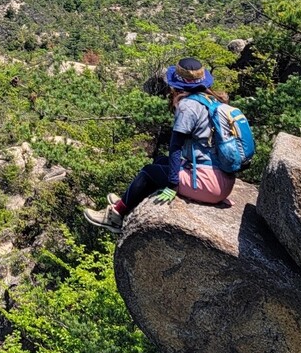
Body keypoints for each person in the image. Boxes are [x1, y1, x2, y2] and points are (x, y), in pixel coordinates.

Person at [82, 57, 235, 232]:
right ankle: (128, 201)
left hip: (208, 184)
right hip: (222, 179)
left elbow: (175, 147)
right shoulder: (211, 100)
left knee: (149, 172)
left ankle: (116, 216)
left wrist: (172, 185)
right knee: (161, 161)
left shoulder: (188, 106)